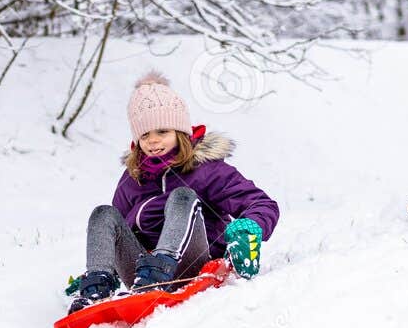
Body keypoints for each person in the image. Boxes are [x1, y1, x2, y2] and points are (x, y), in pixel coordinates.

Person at [68, 72, 280, 314]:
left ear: (180, 132)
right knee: (104, 213)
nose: (153, 141)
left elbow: (262, 204)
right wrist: (104, 263)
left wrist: (248, 229)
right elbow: (119, 230)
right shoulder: (132, 178)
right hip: (142, 274)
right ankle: (97, 288)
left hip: (195, 262)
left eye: (162, 131)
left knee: (182, 195)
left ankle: (159, 271)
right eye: (144, 135)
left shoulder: (208, 170)